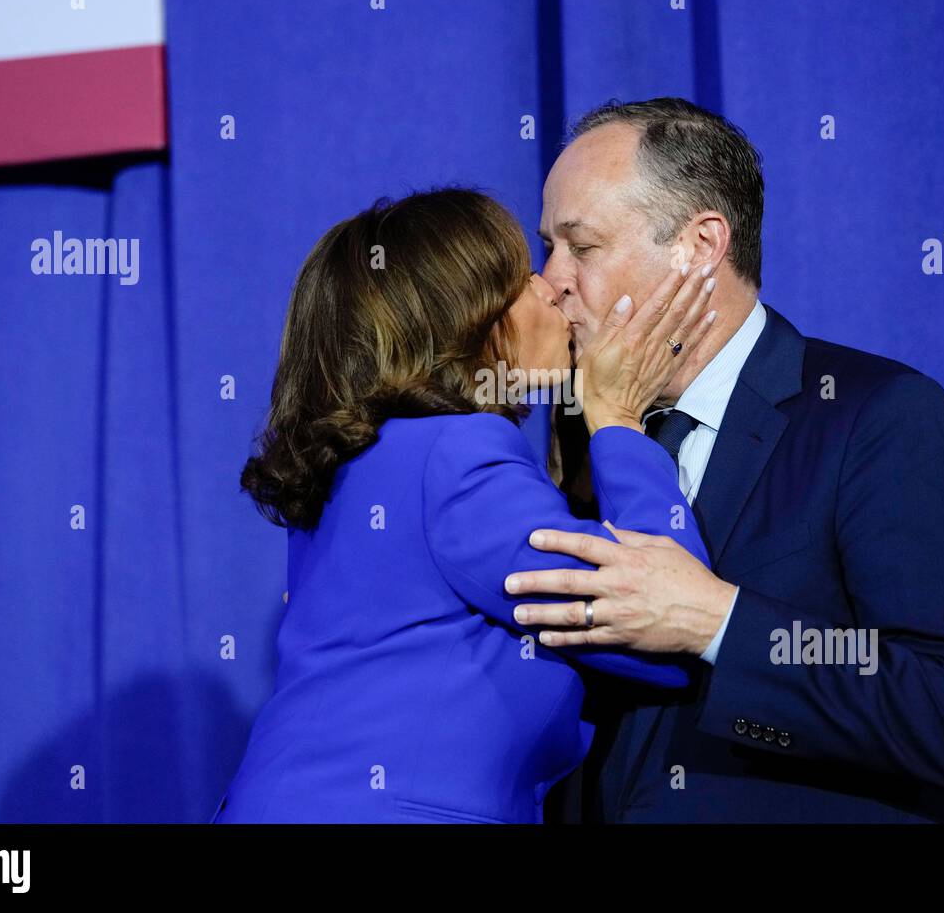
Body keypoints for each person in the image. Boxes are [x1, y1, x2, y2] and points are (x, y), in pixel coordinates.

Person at [509, 97, 944, 823]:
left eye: (580, 247)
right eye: (548, 247)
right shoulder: (595, 437)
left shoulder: (878, 416)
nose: (550, 279)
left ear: (700, 245)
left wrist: (716, 620)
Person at [209, 187, 717, 822]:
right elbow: (658, 626)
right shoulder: (457, 450)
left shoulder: (368, 460)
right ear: (473, 318)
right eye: (522, 278)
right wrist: (616, 419)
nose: (551, 289)